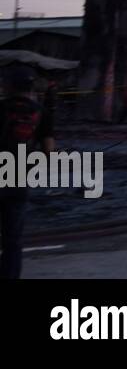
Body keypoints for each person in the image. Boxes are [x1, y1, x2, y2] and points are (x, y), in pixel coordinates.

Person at [1, 65, 55, 279]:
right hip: (19, 180)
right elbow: (49, 150)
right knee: (13, 240)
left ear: (9, 85)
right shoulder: (41, 113)